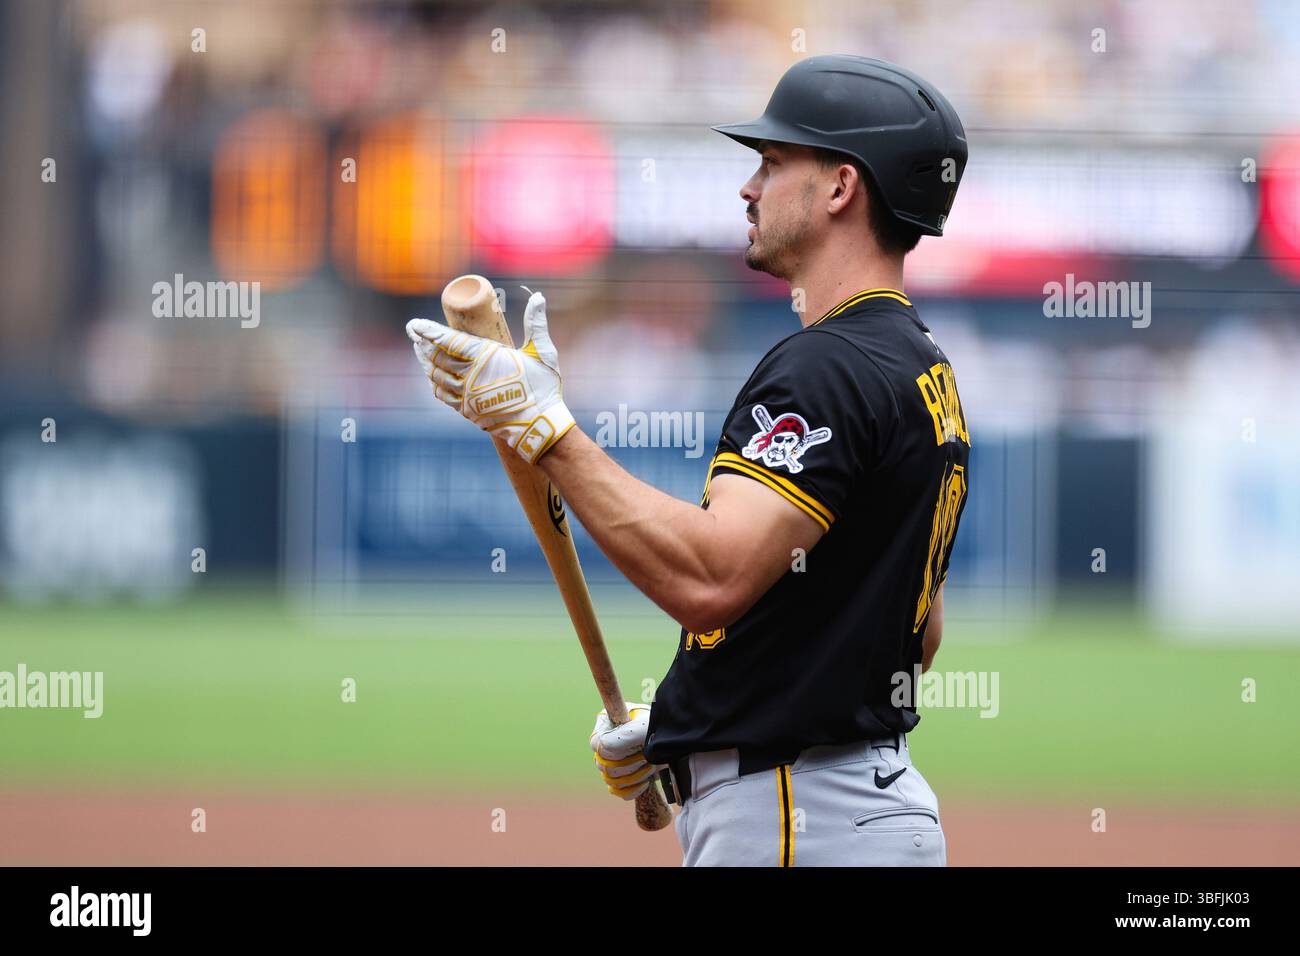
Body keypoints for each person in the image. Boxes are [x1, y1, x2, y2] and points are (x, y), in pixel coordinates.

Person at [407, 54, 972, 866]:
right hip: (861, 809)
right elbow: (912, 639)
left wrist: (546, 430)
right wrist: (685, 724)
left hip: (792, 818)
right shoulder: (923, 368)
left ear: (841, 188)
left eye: (775, 163)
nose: (750, 188)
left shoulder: (825, 366)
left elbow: (712, 581)